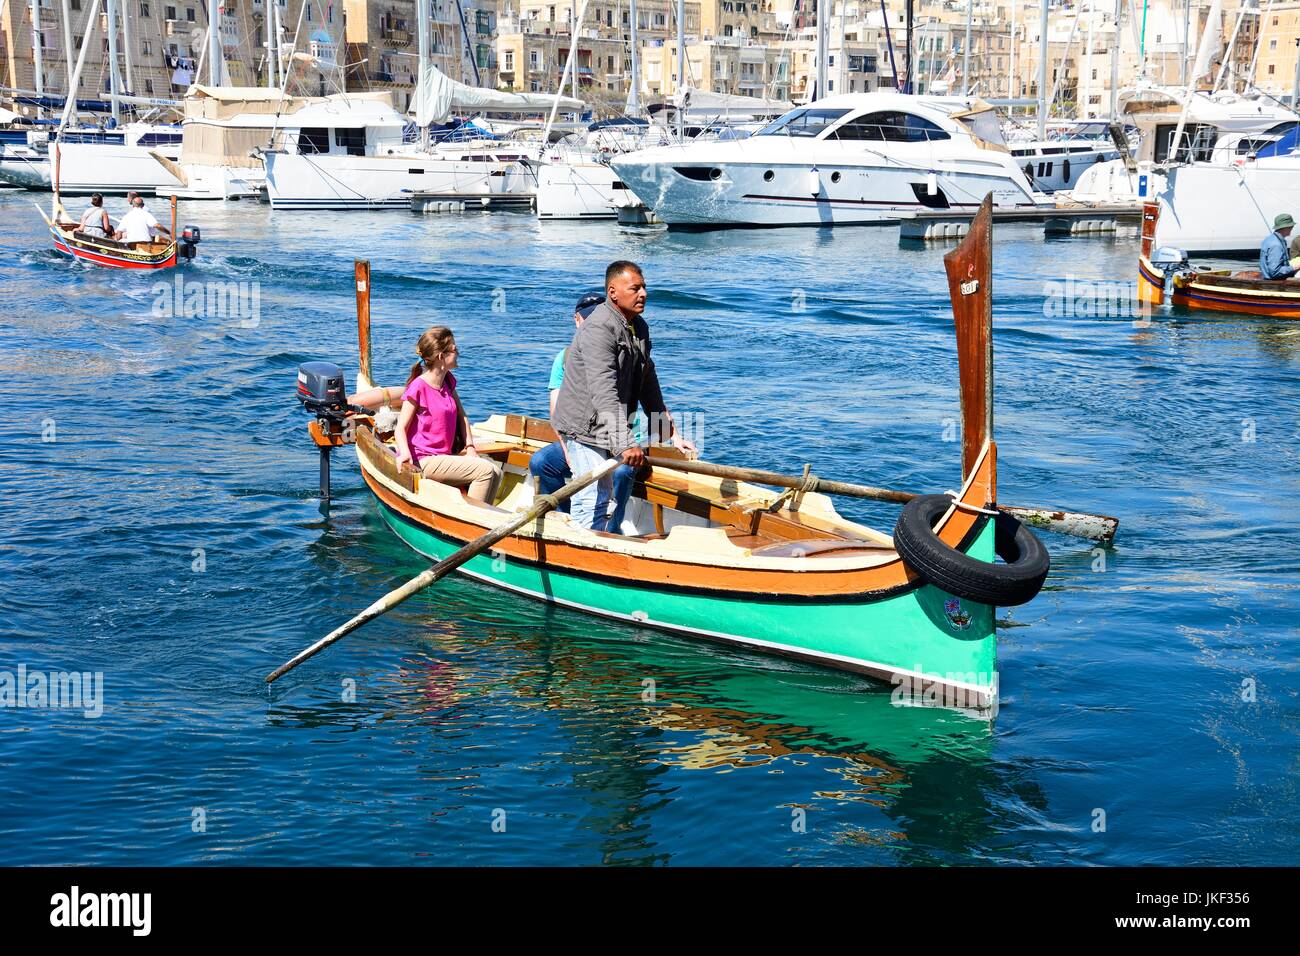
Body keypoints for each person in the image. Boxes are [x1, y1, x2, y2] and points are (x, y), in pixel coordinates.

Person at [551, 261, 696, 532]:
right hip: (584, 426)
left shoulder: (638, 327)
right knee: (594, 497)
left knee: (606, 498)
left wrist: (665, 428)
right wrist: (625, 444)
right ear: (613, 292)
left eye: (644, 287)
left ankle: (601, 542)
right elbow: (603, 390)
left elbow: (647, 381)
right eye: (635, 288)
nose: (643, 294)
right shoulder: (598, 329)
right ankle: (585, 554)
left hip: (609, 425)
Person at [529, 293, 637, 532]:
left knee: (622, 472)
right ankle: (564, 519)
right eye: (587, 320)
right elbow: (557, 412)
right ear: (577, 320)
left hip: (620, 442)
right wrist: (568, 450)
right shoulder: (566, 357)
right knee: (541, 462)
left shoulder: (622, 349)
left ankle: (611, 529)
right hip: (582, 437)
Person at [393, 326, 501, 503]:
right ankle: (470, 521)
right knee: (485, 471)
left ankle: (480, 519)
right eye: (454, 349)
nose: (458, 352)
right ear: (441, 357)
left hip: (443, 456)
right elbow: (400, 428)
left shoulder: (448, 382)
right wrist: (404, 453)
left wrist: (470, 447)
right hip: (423, 459)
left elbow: (462, 416)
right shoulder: (418, 387)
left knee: (496, 471)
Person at [1259, 213, 1297, 280]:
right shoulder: (1276, 245)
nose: (1292, 228)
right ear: (1285, 227)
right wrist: (1294, 267)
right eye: (1291, 226)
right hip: (1274, 282)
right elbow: (1275, 272)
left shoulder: (1269, 239)